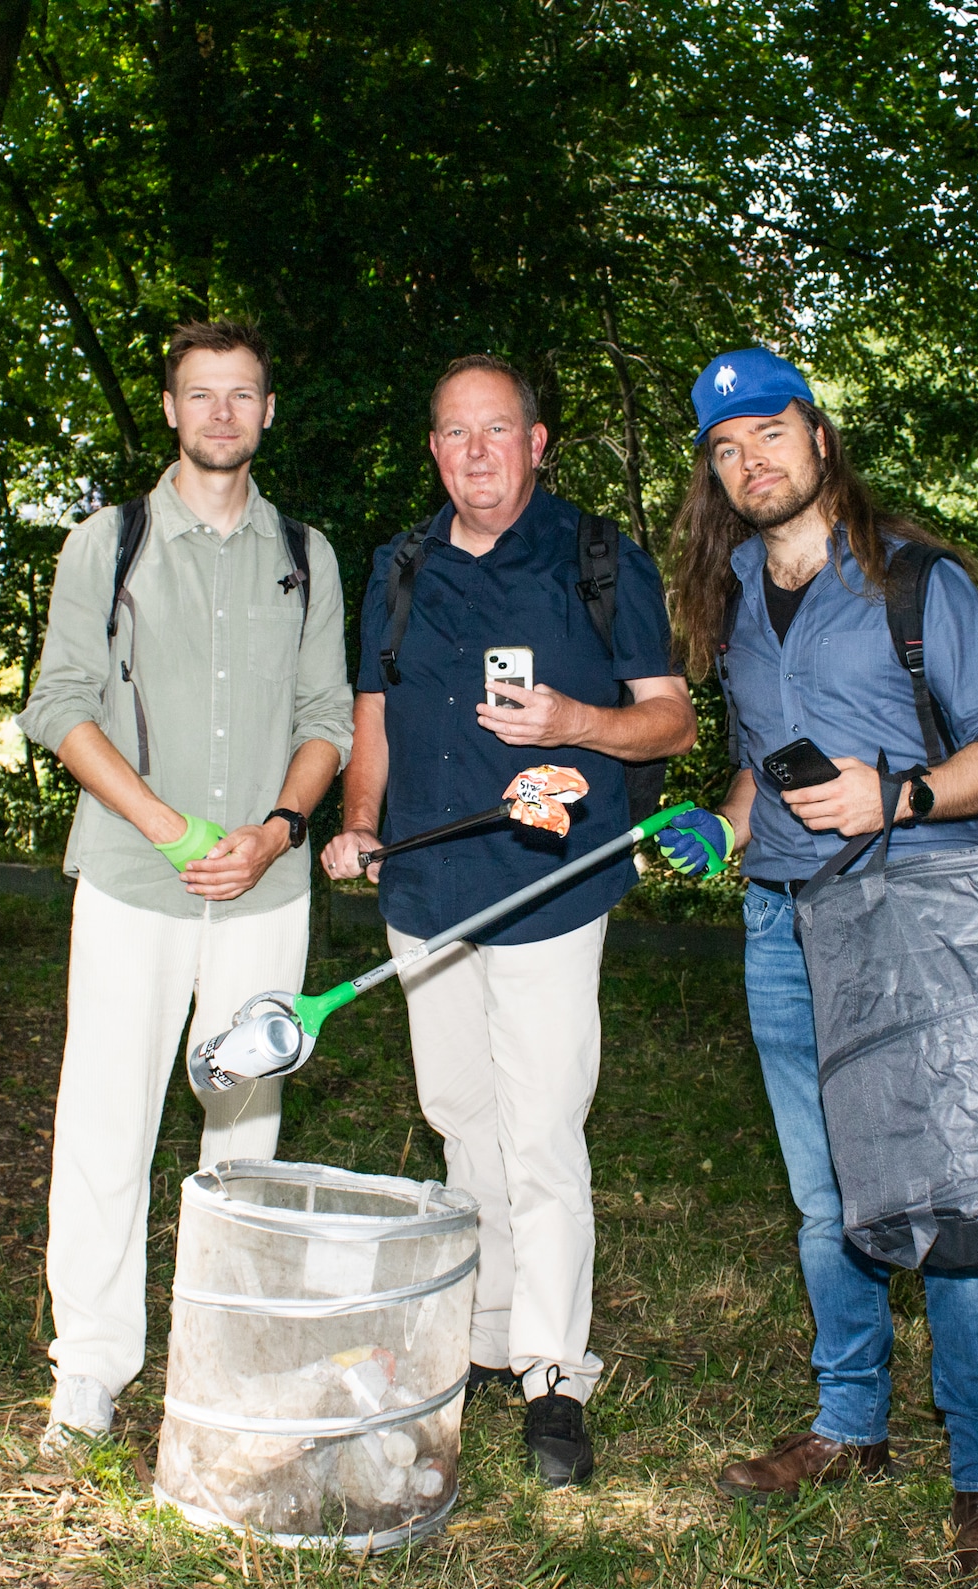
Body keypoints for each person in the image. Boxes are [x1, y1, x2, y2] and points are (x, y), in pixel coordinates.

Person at [666, 345, 978, 1589]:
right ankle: (847, 1427)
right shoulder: (729, 585)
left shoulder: (915, 584)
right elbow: (757, 756)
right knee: (828, 1201)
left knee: (949, 1203)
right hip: (783, 930)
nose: (748, 462)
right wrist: (722, 825)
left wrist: (903, 795)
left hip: (917, 918)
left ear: (818, 438)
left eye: (767, 434)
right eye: (725, 450)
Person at [319, 355, 696, 1486]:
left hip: (548, 887)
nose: (475, 452)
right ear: (432, 450)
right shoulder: (397, 564)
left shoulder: (594, 560)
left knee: (540, 1133)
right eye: (453, 434)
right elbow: (372, 712)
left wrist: (574, 721)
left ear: (537, 444)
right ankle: (482, 1337)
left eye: (497, 431)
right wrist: (356, 818)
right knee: (457, 1114)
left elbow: (668, 724)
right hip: (425, 891)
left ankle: (551, 1370)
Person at [16, 319, 353, 1456]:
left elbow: (326, 721)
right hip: (128, 880)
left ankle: (225, 1368)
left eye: (241, 394)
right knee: (106, 1124)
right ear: (168, 409)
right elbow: (57, 706)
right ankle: (91, 1375)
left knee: (243, 1127)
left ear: (267, 412)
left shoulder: (306, 553)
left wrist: (270, 833)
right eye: (199, 394)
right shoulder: (102, 545)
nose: (220, 413)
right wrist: (170, 831)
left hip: (264, 890)